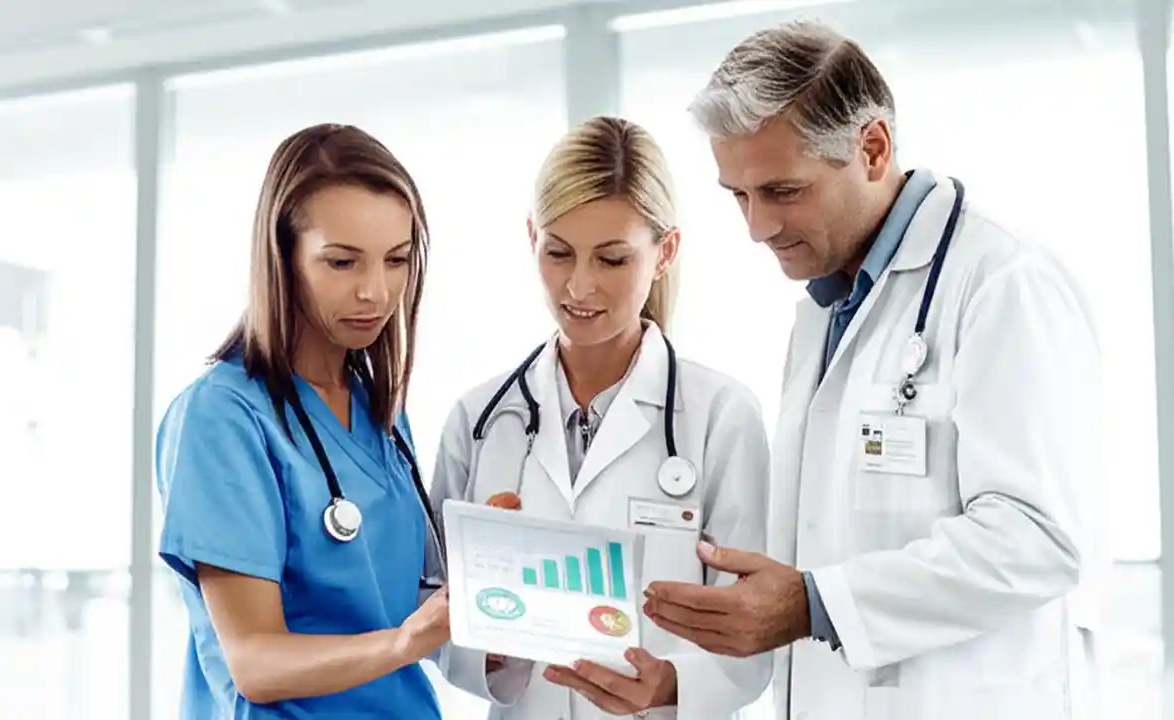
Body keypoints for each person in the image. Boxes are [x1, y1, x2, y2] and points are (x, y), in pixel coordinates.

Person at [641, 20, 1107, 720]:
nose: (757, 227)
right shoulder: (825, 312)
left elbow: (1038, 538)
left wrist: (818, 603)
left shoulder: (1002, 284)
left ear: (873, 148)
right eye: (738, 195)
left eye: (782, 191)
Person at [430, 116, 772, 719]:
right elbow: (434, 601)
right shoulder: (482, 419)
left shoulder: (720, 417)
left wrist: (671, 684)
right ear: (531, 237)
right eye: (558, 253)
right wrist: (489, 645)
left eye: (612, 259)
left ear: (664, 252)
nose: (579, 286)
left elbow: (757, 628)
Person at [155, 123, 450, 719]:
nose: (376, 292)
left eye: (396, 261)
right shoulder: (225, 417)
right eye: (342, 262)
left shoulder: (381, 415)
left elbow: (406, 601)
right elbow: (255, 663)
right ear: (281, 257)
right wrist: (409, 641)